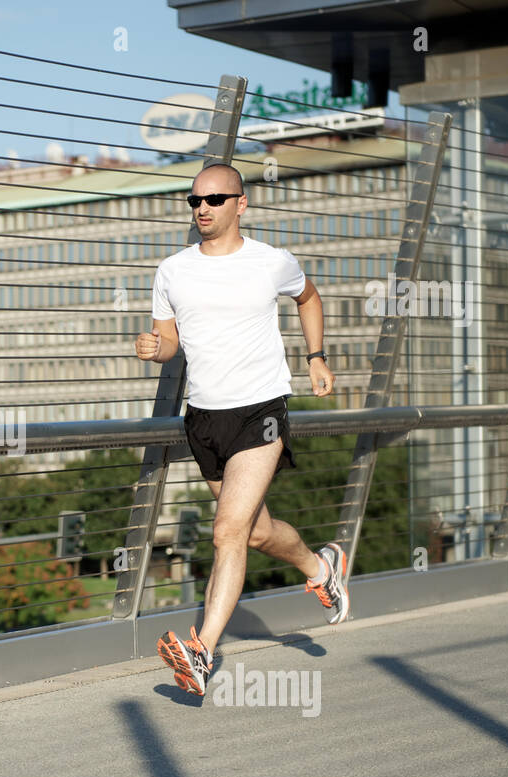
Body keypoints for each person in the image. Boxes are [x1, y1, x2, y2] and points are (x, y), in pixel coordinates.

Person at [134, 162, 350, 696]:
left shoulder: (271, 262)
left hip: (261, 412)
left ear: (241, 203)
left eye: (214, 199)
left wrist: (317, 358)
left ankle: (201, 650)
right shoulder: (173, 271)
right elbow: (170, 342)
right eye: (194, 202)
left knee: (227, 532)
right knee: (254, 532)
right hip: (203, 418)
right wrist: (155, 348)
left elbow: (309, 298)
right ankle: (320, 567)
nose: (202, 209)